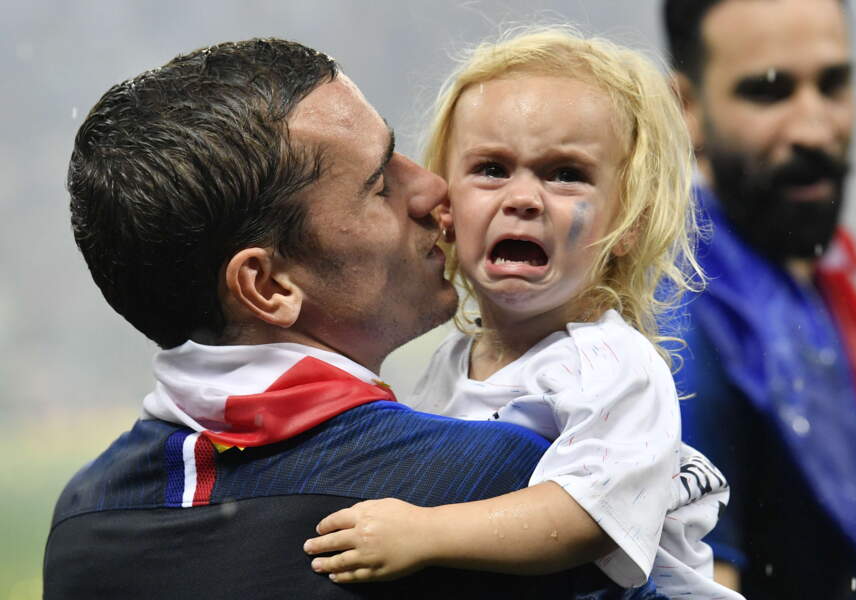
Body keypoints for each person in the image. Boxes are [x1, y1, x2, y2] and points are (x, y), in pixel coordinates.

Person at [43, 38, 668, 599]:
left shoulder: (81, 524)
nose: (432, 190)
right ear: (267, 286)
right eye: (381, 182)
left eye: (565, 175)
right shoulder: (500, 482)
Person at [303, 29, 741, 600]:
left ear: (629, 221)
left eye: (565, 174)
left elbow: (583, 518)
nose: (524, 197)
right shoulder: (453, 360)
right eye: (491, 168)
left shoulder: (613, 365)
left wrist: (425, 533)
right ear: (447, 208)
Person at [662, 0, 856, 597]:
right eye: (769, 91)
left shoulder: (800, 273)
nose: (814, 129)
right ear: (688, 108)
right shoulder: (681, 325)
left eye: (833, 84)